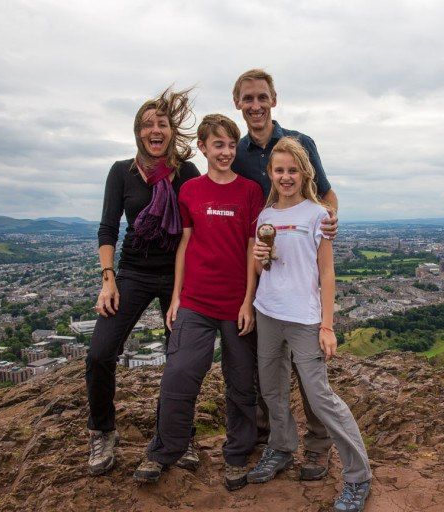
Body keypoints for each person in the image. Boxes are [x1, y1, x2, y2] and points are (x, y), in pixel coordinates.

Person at [133, 114, 264, 491]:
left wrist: (248, 301)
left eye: (230, 145)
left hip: (235, 302)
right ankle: (164, 450)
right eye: (217, 145)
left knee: (240, 383)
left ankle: (237, 455)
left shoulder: (250, 191)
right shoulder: (190, 190)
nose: (225, 152)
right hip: (196, 300)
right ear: (203, 148)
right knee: (179, 374)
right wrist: (175, 297)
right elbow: (184, 245)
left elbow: (251, 247)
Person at [248, 137, 372, 512]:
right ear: (270, 173)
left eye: (292, 170)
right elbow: (261, 269)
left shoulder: (317, 215)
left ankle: (357, 476)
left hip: (304, 318)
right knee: (272, 389)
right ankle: (282, 448)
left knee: (320, 397)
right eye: (279, 170)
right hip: (268, 311)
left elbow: (327, 271)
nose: (286, 177)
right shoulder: (265, 217)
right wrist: (258, 257)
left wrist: (327, 325)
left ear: (305, 173)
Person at [86, 88, 200, 476]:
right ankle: (102, 431)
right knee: (100, 352)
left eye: (162, 123)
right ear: (137, 131)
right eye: (147, 124)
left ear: (171, 130)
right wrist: (108, 280)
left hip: (177, 273)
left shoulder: (187, 172)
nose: (155, 129)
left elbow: (198, 230)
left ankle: (179, 435)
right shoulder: (121, 172)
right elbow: (107, 228)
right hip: (133, 270)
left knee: (180, 360)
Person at [232, 68, 338, 480]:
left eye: (262, 97)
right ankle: (279, 444)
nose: (255, 106)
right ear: (238, 104)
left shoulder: (299, 144)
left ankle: (317, 446)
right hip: (266, 277)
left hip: (300, 274)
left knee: (308, 373)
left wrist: (329, 222)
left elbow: (326, 194)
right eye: (247, 99)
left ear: (274, 99)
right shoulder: (237, 153)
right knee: (270, 373)